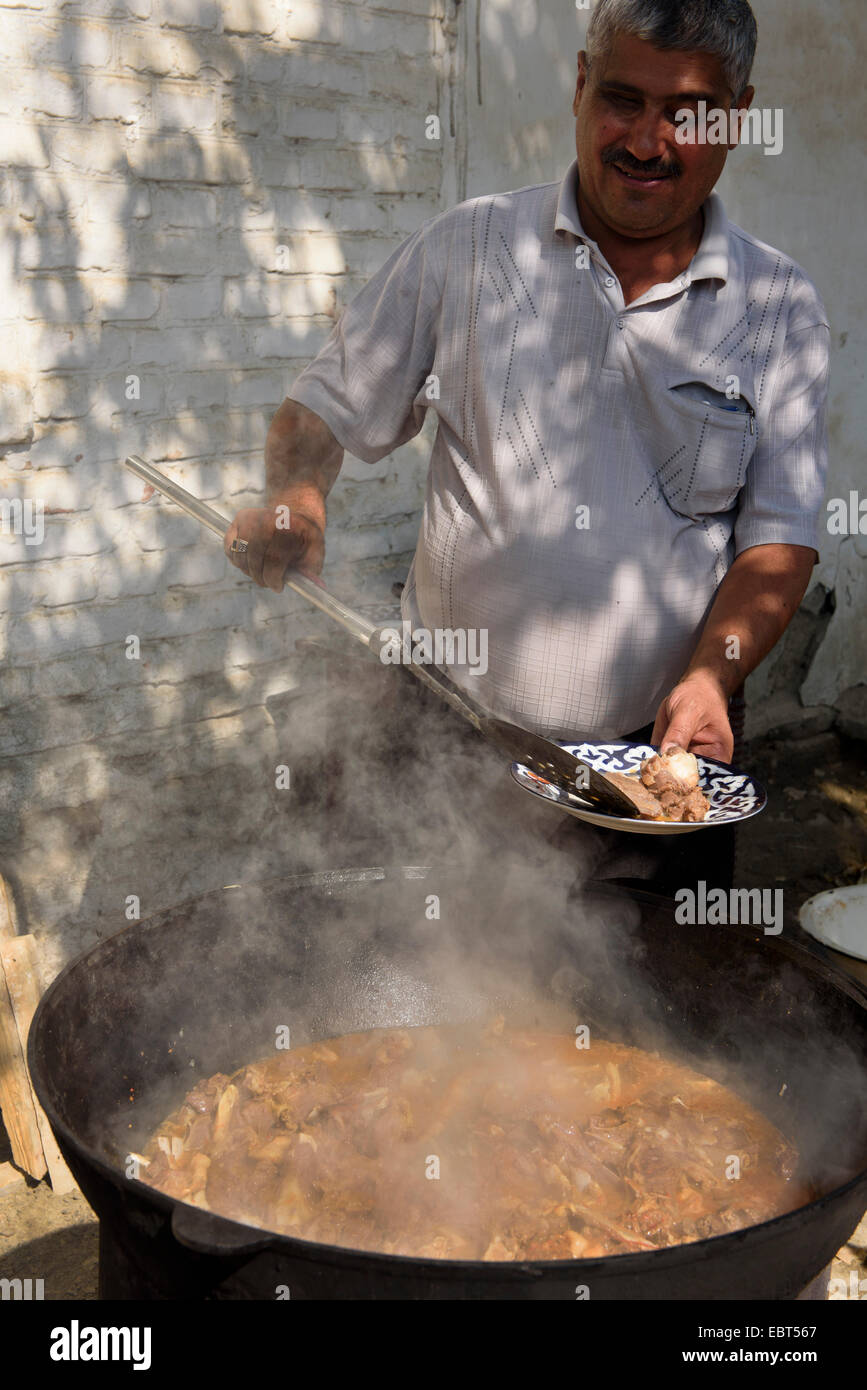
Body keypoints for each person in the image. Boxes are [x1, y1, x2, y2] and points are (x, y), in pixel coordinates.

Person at [225, 0, 829, 894]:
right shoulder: (469, 248)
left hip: (645, 775)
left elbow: (776, 544)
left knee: (649, 1022)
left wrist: (711, 674)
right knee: (412, 1000)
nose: (649, 141)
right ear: (582, 86)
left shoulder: (778, 310)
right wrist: (300, 492)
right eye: (623, 99)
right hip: (438, 744)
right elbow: (323, 404)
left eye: (689, 113)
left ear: (737, 118)